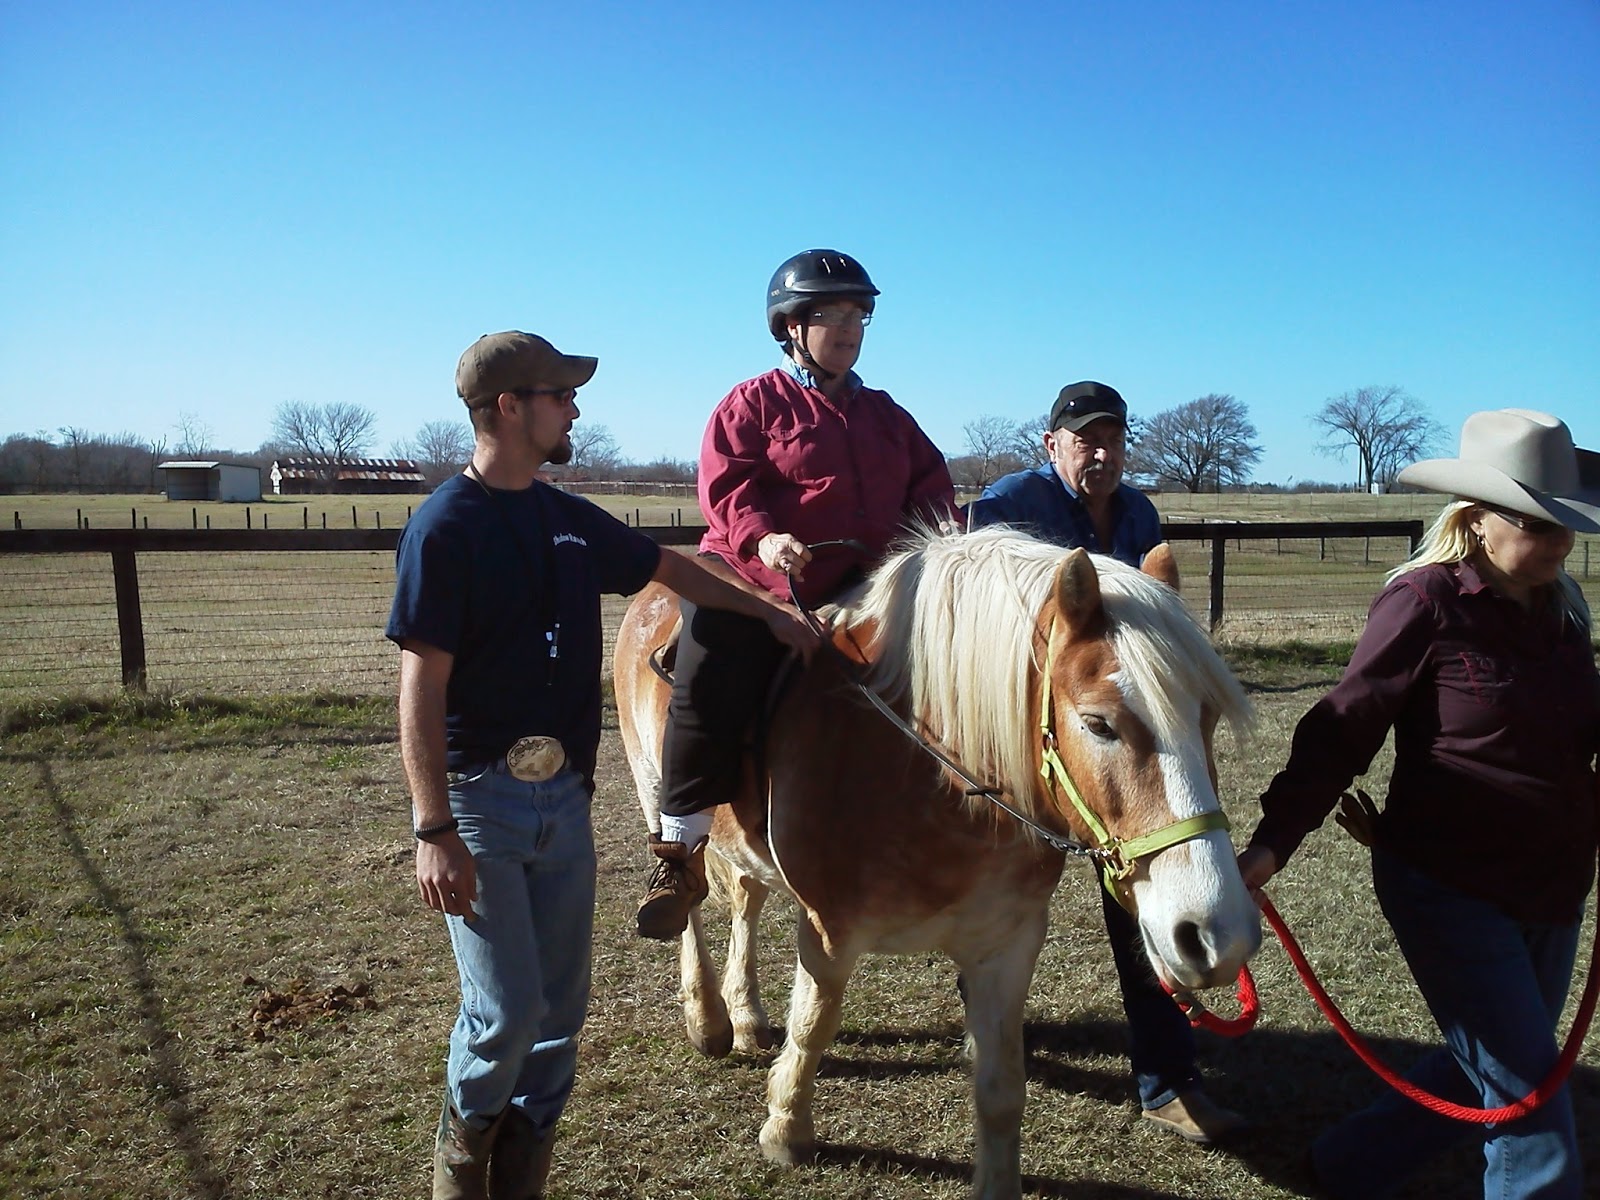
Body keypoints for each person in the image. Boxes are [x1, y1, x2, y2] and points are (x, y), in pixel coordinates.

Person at [388, 330, 819, 1200]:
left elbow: (676, 570)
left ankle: (522, 1175)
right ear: (509, 407)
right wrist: (432, 826)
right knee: (506, 1014)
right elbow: (420, 687)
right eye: (559, 393)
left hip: (564, 804)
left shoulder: (566, 520)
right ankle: (460, 1167)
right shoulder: (445, 529)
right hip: (481, 804)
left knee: (560, 1017)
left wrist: (769, 616)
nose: (574, 407)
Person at [1238, 408, 1600, 1199]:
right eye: (1541, 524)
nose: (1562, 541)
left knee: (1502, 1061)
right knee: (1533, 1107)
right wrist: (1271, 846)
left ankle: (1348, 1164)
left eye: (1568, 525)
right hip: (1452, 887)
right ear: (1475, 519)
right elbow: (1341, 730)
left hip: (1555, 884)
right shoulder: (1424, 602)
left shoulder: (1563, 611)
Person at [635, 249, 958, 939]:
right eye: (828, 315)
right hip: (758, 578)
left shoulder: (886, 415)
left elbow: (931, 489)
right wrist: (763, 540)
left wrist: (943, 544)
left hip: (864, 581)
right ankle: (680, 845)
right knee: (713, 647)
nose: (847, 328)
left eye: (857, 315)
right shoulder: (750, 403)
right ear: (790, 327)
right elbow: (727, 487)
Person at [967, 380, 1248, 1145]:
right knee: (998, 899)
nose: (1102, 453)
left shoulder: (1140, 517)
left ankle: (1168, 1080)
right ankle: (993, 1033)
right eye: (1085, 439)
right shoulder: (1004, 506)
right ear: (1051, 444)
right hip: (1026, 734)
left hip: (1107, 739)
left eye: (1113, 439)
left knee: (1139, 891)